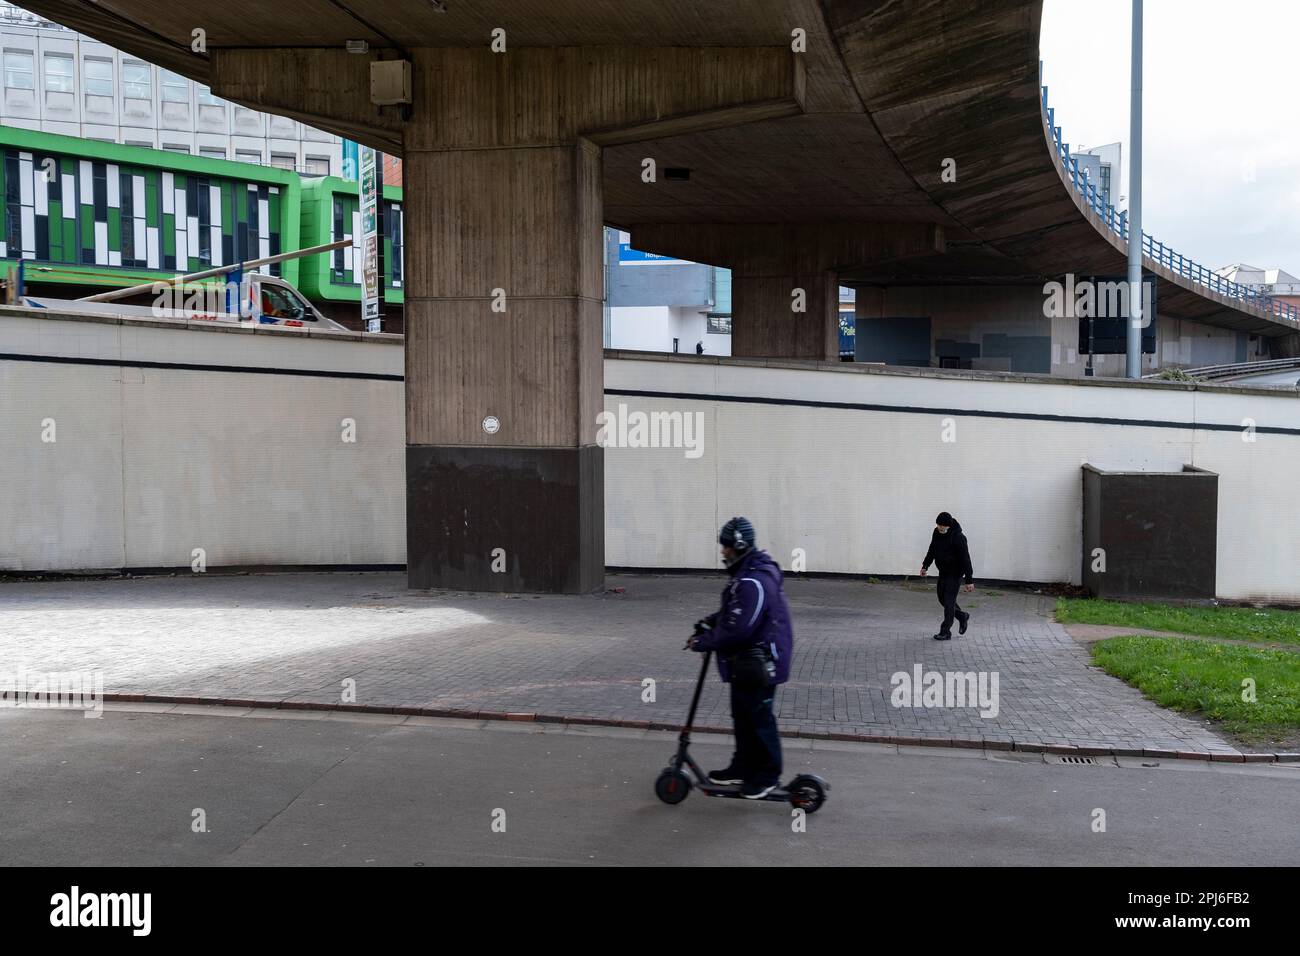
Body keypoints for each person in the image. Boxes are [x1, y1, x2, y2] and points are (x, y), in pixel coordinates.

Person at [689, 516, 793, 798]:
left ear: (739, 546)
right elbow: (737, 611)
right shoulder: (747, 574)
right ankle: (744, 766)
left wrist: (705, 641)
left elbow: (739, 629)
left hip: (761, 663)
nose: (723, 552)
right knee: (743, 715)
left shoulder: (753, 580)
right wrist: (711, 621)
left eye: (726, 547)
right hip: (747, 663)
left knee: (759, 718)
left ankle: (768, 776)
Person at [919, 511, 974, 641]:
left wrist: (969, 580)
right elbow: (932, 549)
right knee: (942, 599)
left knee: (949, 602)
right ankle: (962, 616)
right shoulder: (936, 533)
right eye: (938, 525)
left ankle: (945, 631)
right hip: (943, 572)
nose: (940, 528)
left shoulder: (959, 538)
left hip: (955, 574)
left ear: (948, 526)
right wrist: (925, 565)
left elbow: (966, 559)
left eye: (943, 526)